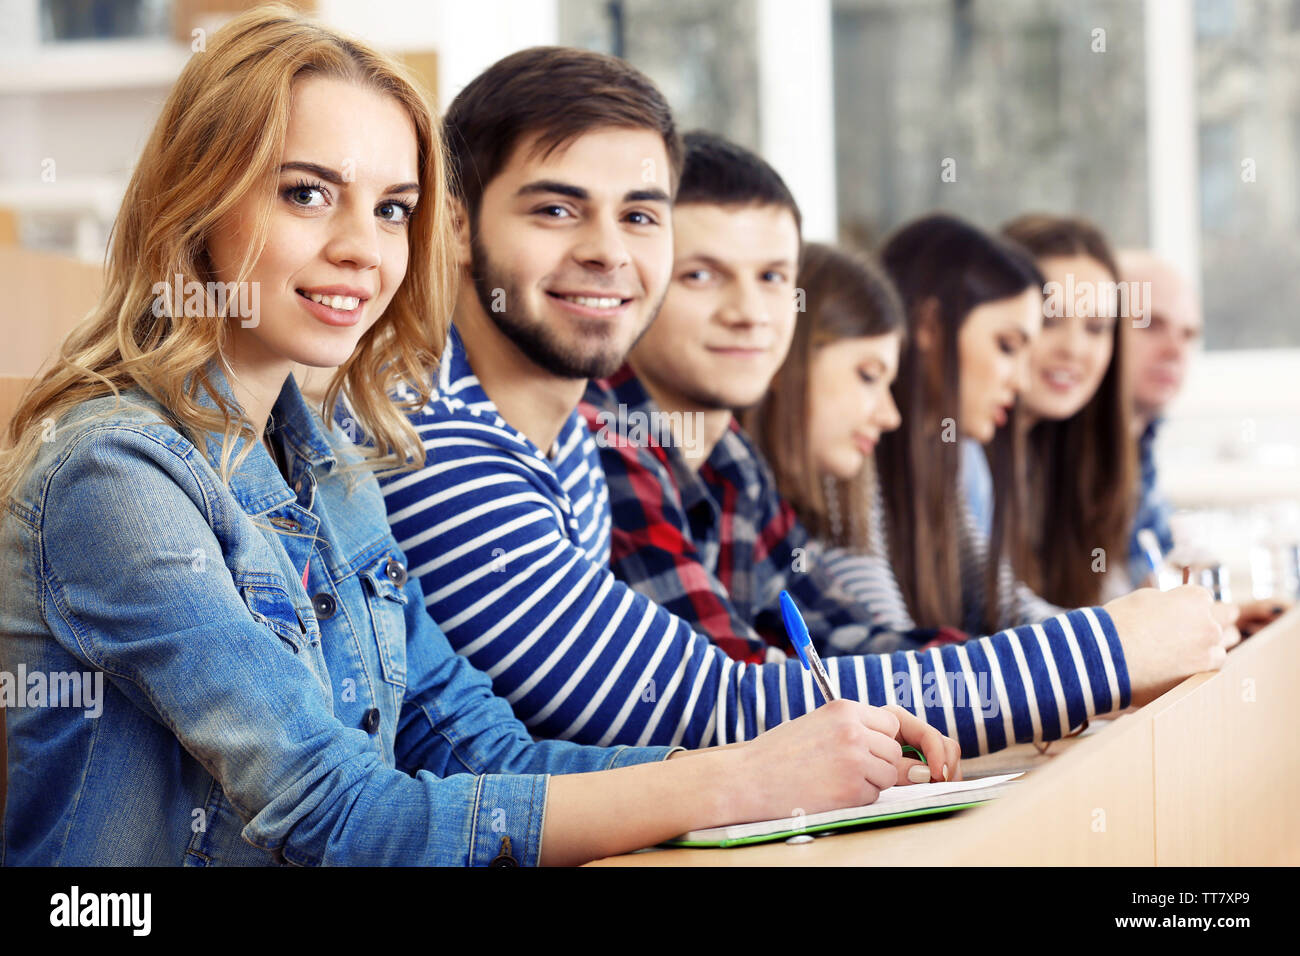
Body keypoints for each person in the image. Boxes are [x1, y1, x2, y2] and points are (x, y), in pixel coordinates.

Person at [0, 7, 949, 867]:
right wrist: (736, 782)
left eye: (392, 208)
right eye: (305, 194)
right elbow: (342, 816)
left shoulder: (335, 465)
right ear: (198, 203)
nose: (362, 249)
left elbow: (479, 750)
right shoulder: (113, 473)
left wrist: (796, 765)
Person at [581, 132, 1236, 756]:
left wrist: (1076, 670)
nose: (750, 312)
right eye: (701, 276)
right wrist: (1084, 664)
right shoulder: (609, 439)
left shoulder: (735, 465)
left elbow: (847, 642)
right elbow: (736, 704)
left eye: (776, 278)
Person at [996, 213, 1135, 608]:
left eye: (1096, 328)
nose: (1074, 349)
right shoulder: (958, 462)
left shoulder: (1077, 463)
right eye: (1050, 319)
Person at [1117, 250, 1200, 583]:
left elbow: (1161, 576)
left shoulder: (1142, 441)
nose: (1176, 351)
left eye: (1189, 334)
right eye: (1151, 324)